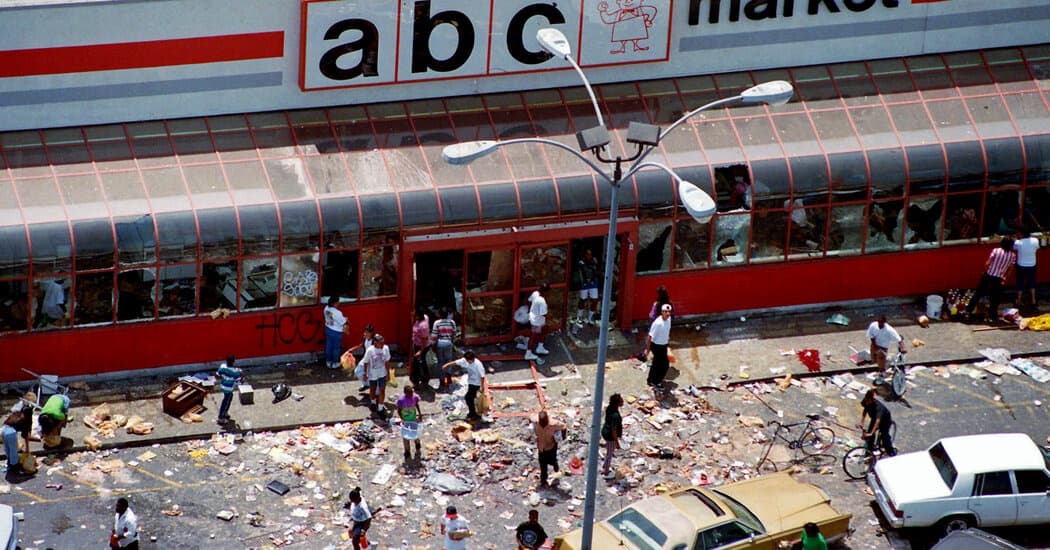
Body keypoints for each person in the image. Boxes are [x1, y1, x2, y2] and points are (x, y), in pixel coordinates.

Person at [966, 237, 1017, 323]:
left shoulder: (996, 250)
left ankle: (968, 311)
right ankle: (993, 315)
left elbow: (988, 263)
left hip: (989, 275)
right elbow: (1010, 269)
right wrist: (1005, 278)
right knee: (995, 297)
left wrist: (984, 271)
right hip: (999, 278)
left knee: (978, 293)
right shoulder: (1012, 255)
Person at [441, 351, 486, 420]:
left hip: (476, 383)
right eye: (466, 360)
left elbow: (482, 376)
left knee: (468, 397)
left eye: (468, 361)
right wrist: (447, 365)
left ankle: (473, 413)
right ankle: (473, 412)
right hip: (471, 381)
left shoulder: (478, 364)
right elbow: (456, 362)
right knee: (470, 397)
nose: (467, 362)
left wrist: (482, 386)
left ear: (473, 359)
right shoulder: (465, 360)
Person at [534, 410, 565, 488]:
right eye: (541, 422)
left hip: (551, 447)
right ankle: (543, 480)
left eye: (544, 422)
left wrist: (562, 436)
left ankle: (556, 468)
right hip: (541, 447)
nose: (542, 424)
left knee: (552, 460)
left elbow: (564, 426)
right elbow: (529, 417)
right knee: (542, 465)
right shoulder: (536, 422)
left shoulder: (553, 424)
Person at [361, 334, 391, 414]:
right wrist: (365, 373)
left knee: (382, 390)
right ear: (375, 342)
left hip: (382, 373)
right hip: (372, 374)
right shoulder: (370, 350)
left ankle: (380, 408)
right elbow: (366, 362)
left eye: (383, 343)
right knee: (373, 389)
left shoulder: (386, 348)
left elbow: (387, 362)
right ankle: (373, 403)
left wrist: (388, 373)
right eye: (380, 343)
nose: (382, 345)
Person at [860, 390, 896, 457]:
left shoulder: (879, 407)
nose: (867, 402)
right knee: (869, 437)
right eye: (866, 400)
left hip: (884, 420)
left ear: (872, 400)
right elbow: (865, 410)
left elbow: (877, 421)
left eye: (868, 401)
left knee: (884, 436)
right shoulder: (865, 401)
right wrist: (861, 422)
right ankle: (869, 451)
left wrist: (871, 433)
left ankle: (891, 451)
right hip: (874, 418)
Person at [644, 303, 673, 388]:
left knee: (656, 363)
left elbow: (667, 331)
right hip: (656, 346)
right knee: (664, 364)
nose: (667, 314)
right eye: (665, 312)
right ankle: (656, 381)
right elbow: (650, 337)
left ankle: (651, 380)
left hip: (663, 345)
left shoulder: (669, 319)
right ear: (662, 312)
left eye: (668, 312)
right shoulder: (657, 323)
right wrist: (648, 350)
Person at [519, 283, 550, 362]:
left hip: (533, 318)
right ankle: (528, 353)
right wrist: (550, 319)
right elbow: (544, 313)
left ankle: (540, 347)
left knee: (543, 332)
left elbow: (529, 301)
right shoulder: (542, 301)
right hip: (538, 321)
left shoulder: (535, 293)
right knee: (533, 336)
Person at [1014, 227, 1040, 310]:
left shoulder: (1018, 242)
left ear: (1021, 234)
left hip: (1021, 265)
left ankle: (1018, 300)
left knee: (1020, 282)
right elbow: (1037, 248)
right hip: (1032, 264)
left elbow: (1014, 248)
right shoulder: (1035, 240)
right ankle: (1033, 300)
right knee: (1032, 283)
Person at [431, 308, 459, 385]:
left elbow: (434, 336)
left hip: (440, 343)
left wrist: (433, 345)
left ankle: (442, 380)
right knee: (449, 361)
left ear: (440, 315)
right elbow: (454, 334)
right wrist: (452, 343)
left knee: (440, 362)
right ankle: (448, 376)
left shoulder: (437, 323)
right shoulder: (452, 322)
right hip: (449, 343)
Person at [573, 249, 600, 327]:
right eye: (587, 254)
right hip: (584, 284)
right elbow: (581, 271)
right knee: (582, 300)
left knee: (594, 300)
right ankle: (579, 316)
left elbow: (597, 271)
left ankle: (590, 317)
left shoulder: (594, 261)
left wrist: (595, 264)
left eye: (590, 254)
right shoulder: (581, 262)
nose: (589, 256)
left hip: (593, 284)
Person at [396, 385, 423, 462]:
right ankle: (407, 451)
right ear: (405, 393)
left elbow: (417, 405)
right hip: (406, 420)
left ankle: (417, 444)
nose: (411, 395)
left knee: (415, 433)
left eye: (411, 393)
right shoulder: (401, 400)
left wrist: (420, 414)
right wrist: (402, 419)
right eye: (409, 393)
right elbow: (398, 410)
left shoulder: (415, 397)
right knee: (406, 436)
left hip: (413, 419)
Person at [600, 393, 624, 480]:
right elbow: (614, 430)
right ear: (617, 403)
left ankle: (604, 466)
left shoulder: (610, 408)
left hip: (605, 431)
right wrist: (617, 442)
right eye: (621, 401)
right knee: (610, 453)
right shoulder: (616, 416)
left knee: (609, 451)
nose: (623, 402)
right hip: (610, 436)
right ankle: (606, 471)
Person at [323, 295, 349, 369]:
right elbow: (343, 322)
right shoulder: (338, 312)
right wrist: (346, 319)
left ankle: (328, 362)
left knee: (328, 346)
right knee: (336, 348)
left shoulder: (326, 308)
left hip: (328, 329)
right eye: (338, 302)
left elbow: (332, 318)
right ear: (334, 303)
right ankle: (335, 363)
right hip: (336, 332)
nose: (339, 303)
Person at [349, 324, 376, 392]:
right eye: (365, 332)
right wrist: (352, 349)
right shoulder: (365, 339)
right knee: (357, 371)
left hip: (372, 361)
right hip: (365, 359)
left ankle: (372, 387)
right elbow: (361, 345)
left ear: (371, 333)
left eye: (367, 333)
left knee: (370, 374)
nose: (365, 334)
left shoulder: (374, 341)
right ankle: (366, 384)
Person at [215, 354, 242, 424]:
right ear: (233, 362)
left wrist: (224, 377)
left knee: (228, 398)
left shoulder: (222, 367)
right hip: (229, 388)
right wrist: (241, 373)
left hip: (223, 386)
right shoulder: (235, 372)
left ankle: (225, 413)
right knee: (226, 402)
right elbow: (239, 381)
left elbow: (217, 375)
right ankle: (221, 417)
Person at [3, 410, 31, 475]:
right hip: (11, 433)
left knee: (8, 449)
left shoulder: (16, 414)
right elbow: (25, 435)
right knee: (13, 451)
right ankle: (15, 468)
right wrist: (27, 449)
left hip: (4, 430)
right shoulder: (25, 421)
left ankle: (9, 464)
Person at [410, 307, 431, 386]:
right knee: (421, 362)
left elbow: (424, 339)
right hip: (417, 344)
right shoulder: (425, 317)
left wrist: (420, 351)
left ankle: (417, 381)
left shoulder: (423, 326)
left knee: (417, 363)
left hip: (421, 346)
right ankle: (424, 377)